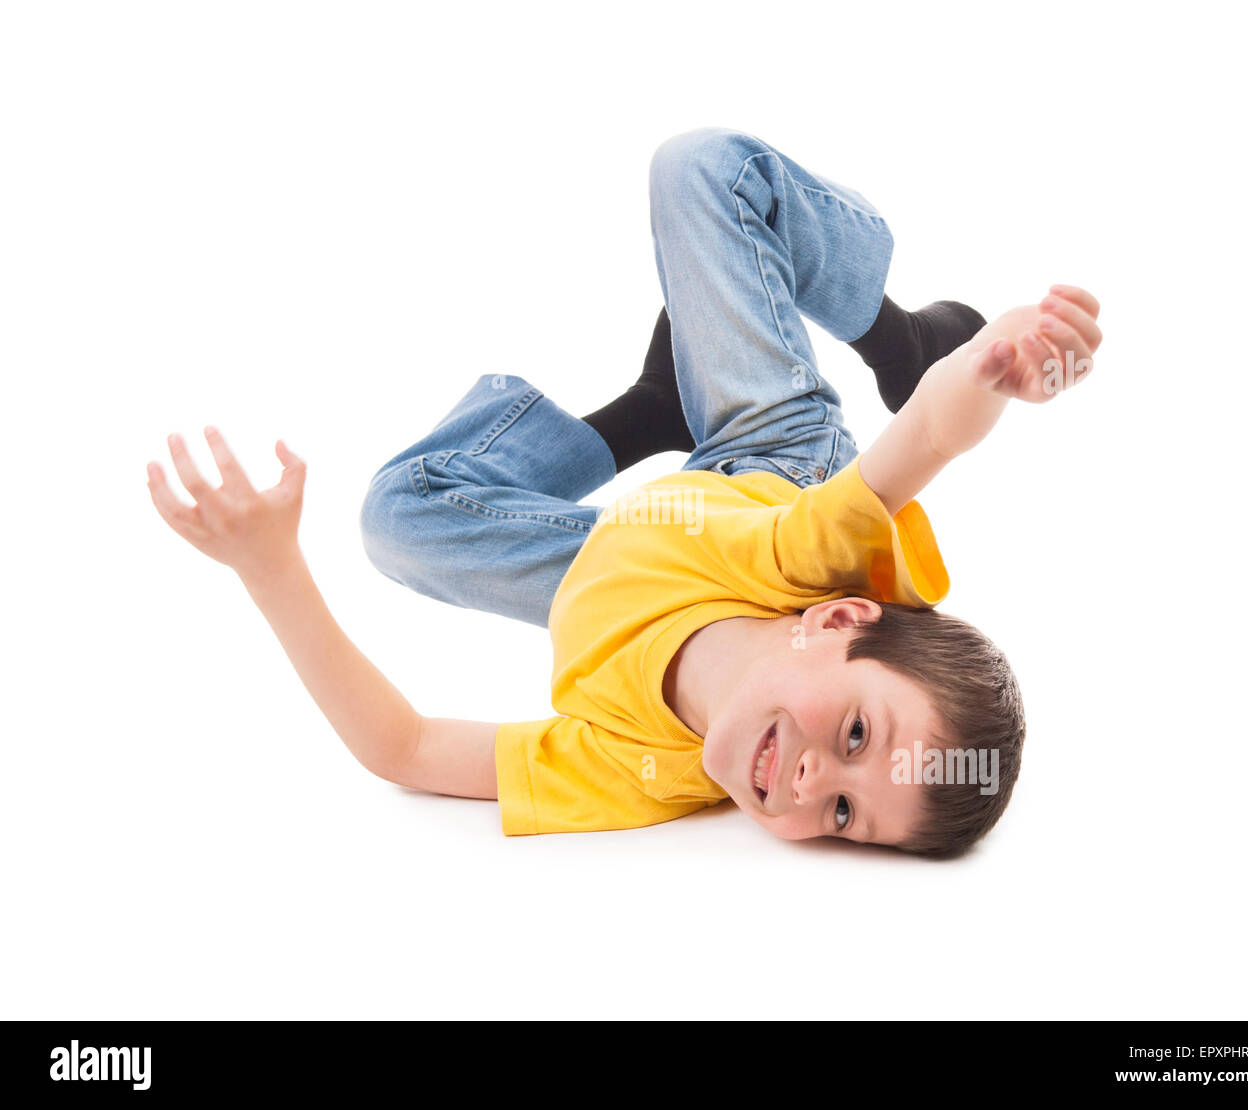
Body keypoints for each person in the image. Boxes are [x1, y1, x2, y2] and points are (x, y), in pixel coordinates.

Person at [146, 127, 1101, 857]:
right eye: (857, 732)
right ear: (836, 620)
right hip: (769, 464)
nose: (814, 782)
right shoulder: (808, 560)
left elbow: (406, 750)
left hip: (605, 575)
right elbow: (931, 435)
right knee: (701, 170)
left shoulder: (636, 771)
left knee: (395, 517)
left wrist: (269, 570)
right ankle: (897, 336)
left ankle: (648, 413)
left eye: (845, 815)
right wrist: (995, 357)